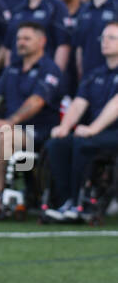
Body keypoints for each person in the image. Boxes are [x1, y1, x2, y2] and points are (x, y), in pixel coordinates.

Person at [0, 23, 62, 211]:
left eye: (27, 39)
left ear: (42, 41)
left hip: (37, 131)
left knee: (4, 134)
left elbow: (37, 101)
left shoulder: (49, 69)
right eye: (19, 39)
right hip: (7, 128)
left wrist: (10, 121)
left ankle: (0, 192)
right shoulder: (12, 68)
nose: (21, 43)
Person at [43, 22, 118, 221]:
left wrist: (93, 128)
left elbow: (115, 105)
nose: (105, 42)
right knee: (57, 143)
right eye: (103, 38)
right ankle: (65, 201)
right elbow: (78, 103)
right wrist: (64, 127)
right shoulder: (95, 74)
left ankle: (80, 200)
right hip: (96, 133)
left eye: (112, 38)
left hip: (110, 131)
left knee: (81, 142)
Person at [1, 0, 72, 76]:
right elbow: (9, 46)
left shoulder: (56, 6)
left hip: (42, 74)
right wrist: (7, 76)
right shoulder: (17, 8)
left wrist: (56, 76)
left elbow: (63, 45)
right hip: (16, 74)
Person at [73, 0, 118, 84]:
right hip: (88, 78)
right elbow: (79, 46)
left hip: (112, 80)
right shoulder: (84, 9)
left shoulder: (116, 6)